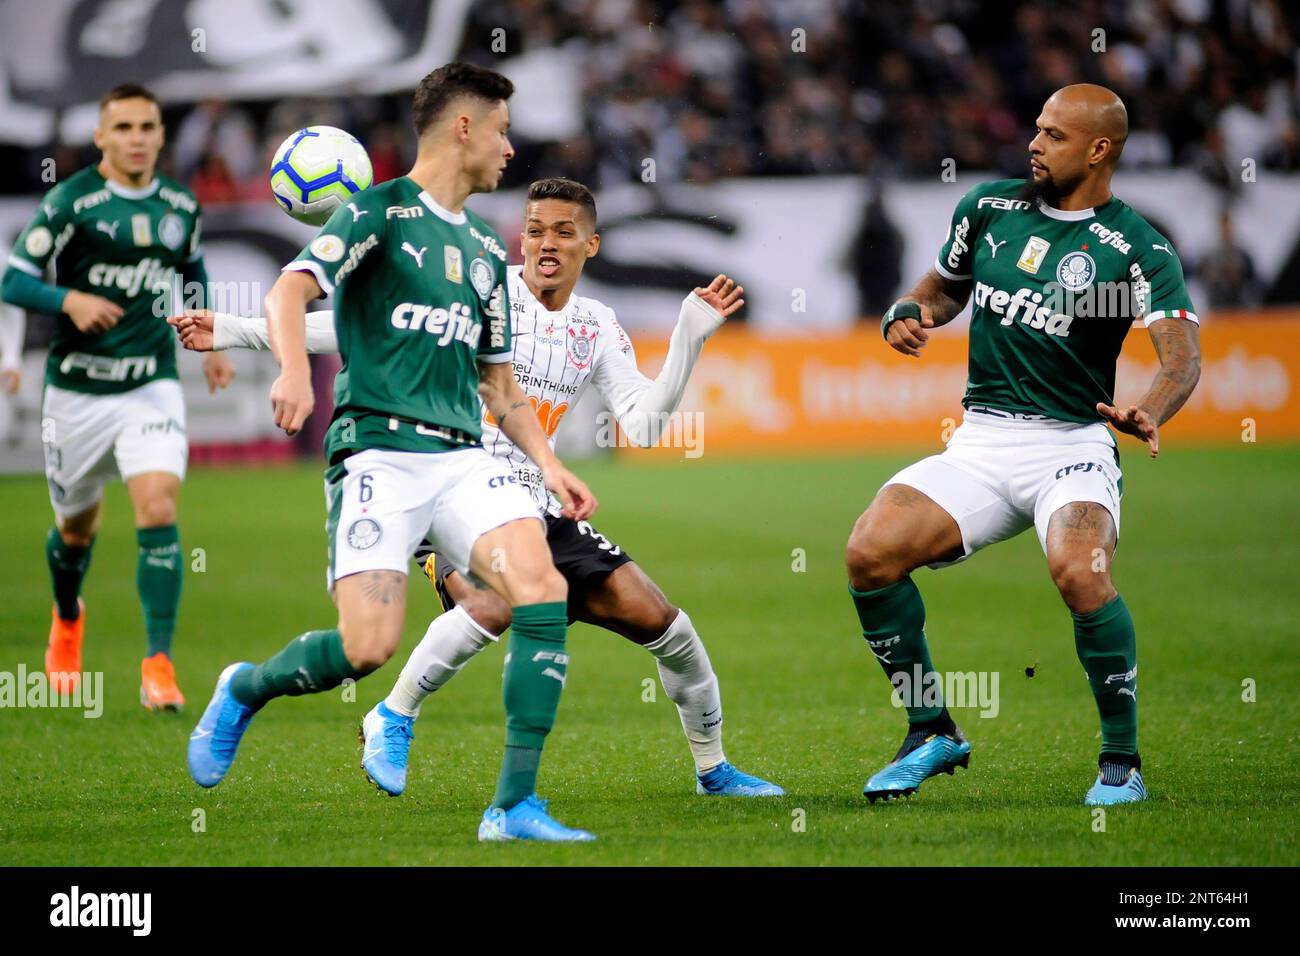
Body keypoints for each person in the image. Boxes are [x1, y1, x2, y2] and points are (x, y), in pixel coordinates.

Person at [173, 177, 783, 800]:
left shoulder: (597, 324)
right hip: (449, 479)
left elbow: (646, 423)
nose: (546, 243)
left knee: (667, 626)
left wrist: (689, 336)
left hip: (536, 500)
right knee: (496, 602)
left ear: (592, 244)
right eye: (536, 229)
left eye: (563, 232)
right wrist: (238, 330)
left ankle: (713, 770)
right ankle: (395, 714)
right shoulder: (483, 288)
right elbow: (368, 326)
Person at [184, 62, 603, 843]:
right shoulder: (377, 213)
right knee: (364, 648)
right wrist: (288, 371)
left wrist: (549, 464)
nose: (512, 150)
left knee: (539, 592)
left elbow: (501, 389)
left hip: (463, 458)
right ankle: (245, 686)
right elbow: (287, 292)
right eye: (504, 130)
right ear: (465, 127)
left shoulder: (484, 246)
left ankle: (512, 807)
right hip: (378, 456)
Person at [847, 84, 1201, 806]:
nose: (1034, 143)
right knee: (869, 553)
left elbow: (1181, 356)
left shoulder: (1136, 245)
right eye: (1035, 129)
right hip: (981, 442)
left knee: (1080, 572)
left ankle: (1120, 762)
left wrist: (1151, 409)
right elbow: (944, 289)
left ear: (1099, 150)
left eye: (1054, 134)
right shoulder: (989, 208)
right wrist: (908, 311)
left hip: (1071, 445)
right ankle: (931, 731)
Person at [0, 83, 235, 710]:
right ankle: (68, 615)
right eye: (123, 127)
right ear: (101, 136)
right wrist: (67, 298)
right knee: (76, 530)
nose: (136, 138)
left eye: (146, 127)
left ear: (161, 135)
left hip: (150, 384)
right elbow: (13, 280)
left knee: (157, 507)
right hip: (76, 391)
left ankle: (158, 662)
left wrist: (213, 341)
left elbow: (192, 272)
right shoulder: (71, 203)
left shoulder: (181, 205)